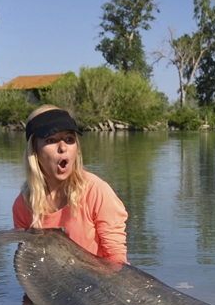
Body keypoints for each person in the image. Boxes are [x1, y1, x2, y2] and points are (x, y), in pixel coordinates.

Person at [13, 105, 129, 263]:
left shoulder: (96, 191)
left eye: (69, 139)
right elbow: (28, 265)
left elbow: (117, 260)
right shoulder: (23, 205)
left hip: (98, 285)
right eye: (51, 140)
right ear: (35, 150)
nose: (63, 148)